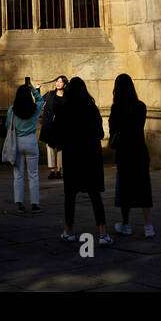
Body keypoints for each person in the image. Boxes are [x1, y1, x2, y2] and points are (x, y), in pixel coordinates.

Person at [55, 76, 110, 245]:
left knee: (70, 196)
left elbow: (58, 135)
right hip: (90, 156)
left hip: (72, 157)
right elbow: (100, 134)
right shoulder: (91, 108)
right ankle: (102, 233)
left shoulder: (64, 109)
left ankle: (69, 231)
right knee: (95, 196)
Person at [109, 73, 155, 237]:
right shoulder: (141, 106)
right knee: (144, 188)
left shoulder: (116, 108)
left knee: (125, 189)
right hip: (140, 151)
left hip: (124, 153)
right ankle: (148, 226)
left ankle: (126, 224)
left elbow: (113, 130)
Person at [4, 81, 46, 215]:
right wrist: (34, 89)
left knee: (18, 175)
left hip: (17, 141)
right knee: (33, 174)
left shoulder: (12, 109)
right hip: (31, 141)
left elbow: (6, 125)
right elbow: (41, 100)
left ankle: (19, 204)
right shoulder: (35, 108)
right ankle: (35, 204)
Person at [41, 75, 67, 179]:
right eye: (57, 81)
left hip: (62, 126)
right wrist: (37, 90)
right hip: (50, 126)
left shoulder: (67, 96)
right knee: (50, 148)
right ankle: (52, 170)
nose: (58, 83)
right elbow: (39, 102)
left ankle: (59, 171)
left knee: (61, 149)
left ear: (64, 84)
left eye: (60, 82)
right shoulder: (49, 94)